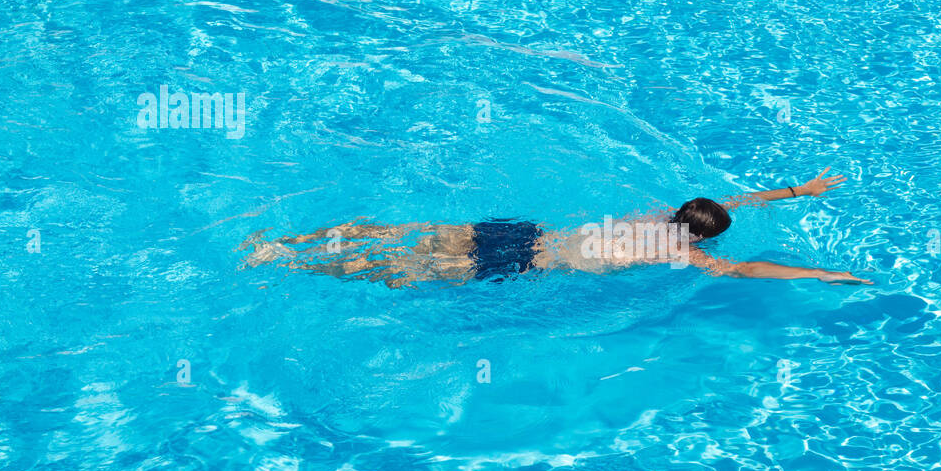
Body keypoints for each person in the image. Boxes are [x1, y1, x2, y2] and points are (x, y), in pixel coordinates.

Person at [241, 169, 872, 287]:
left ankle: (294, 239)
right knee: (402, 274)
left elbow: (737, 198)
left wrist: (797, 190)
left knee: (414, 233)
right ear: (702, 236)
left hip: (522, 231)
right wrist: (817, 271)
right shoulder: (683, 252)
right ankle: (283, 260)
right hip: (524, 265)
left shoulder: (664, 216)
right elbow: (746, 267)